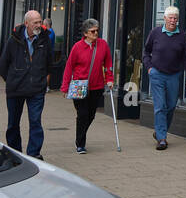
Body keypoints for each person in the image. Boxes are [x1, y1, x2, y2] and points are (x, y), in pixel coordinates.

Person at [0, 9, 52, 159]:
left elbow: (49, 62)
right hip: (16, 89)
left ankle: (33, 154)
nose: (39, 25)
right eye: (35, 22)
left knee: (35, 122)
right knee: (13, 123)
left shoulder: (45, 39)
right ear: (26, 23)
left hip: (36, 89)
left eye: (40, 22)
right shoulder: (13, 40)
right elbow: (3, 64)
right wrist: (12, 80)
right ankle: (15, 154)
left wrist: (44, 81)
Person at [142, 6, 186, 150]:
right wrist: (149, 68)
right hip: (157, 74)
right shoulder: (155, 33)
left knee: (171, 106)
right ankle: (162, 138)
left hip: (174, 75)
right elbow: (146, 52)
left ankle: (159, 131)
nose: (173, 20)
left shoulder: (182, 36)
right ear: (164, 18)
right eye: (170, 18)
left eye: (175, 18)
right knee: (160, 106)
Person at [61, 18, 113, 153]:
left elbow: (108, 63)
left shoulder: (103, 45)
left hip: (97, 86)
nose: (96, 33)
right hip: (79, 85)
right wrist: (65, 87)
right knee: (83, 114)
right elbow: (69, 67)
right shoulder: (77, 47)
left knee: (91, 115)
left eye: (97, 30)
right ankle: (80, 143)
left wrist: (110, 79)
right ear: (85, 33)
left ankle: (80, 135)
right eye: (92, 31)